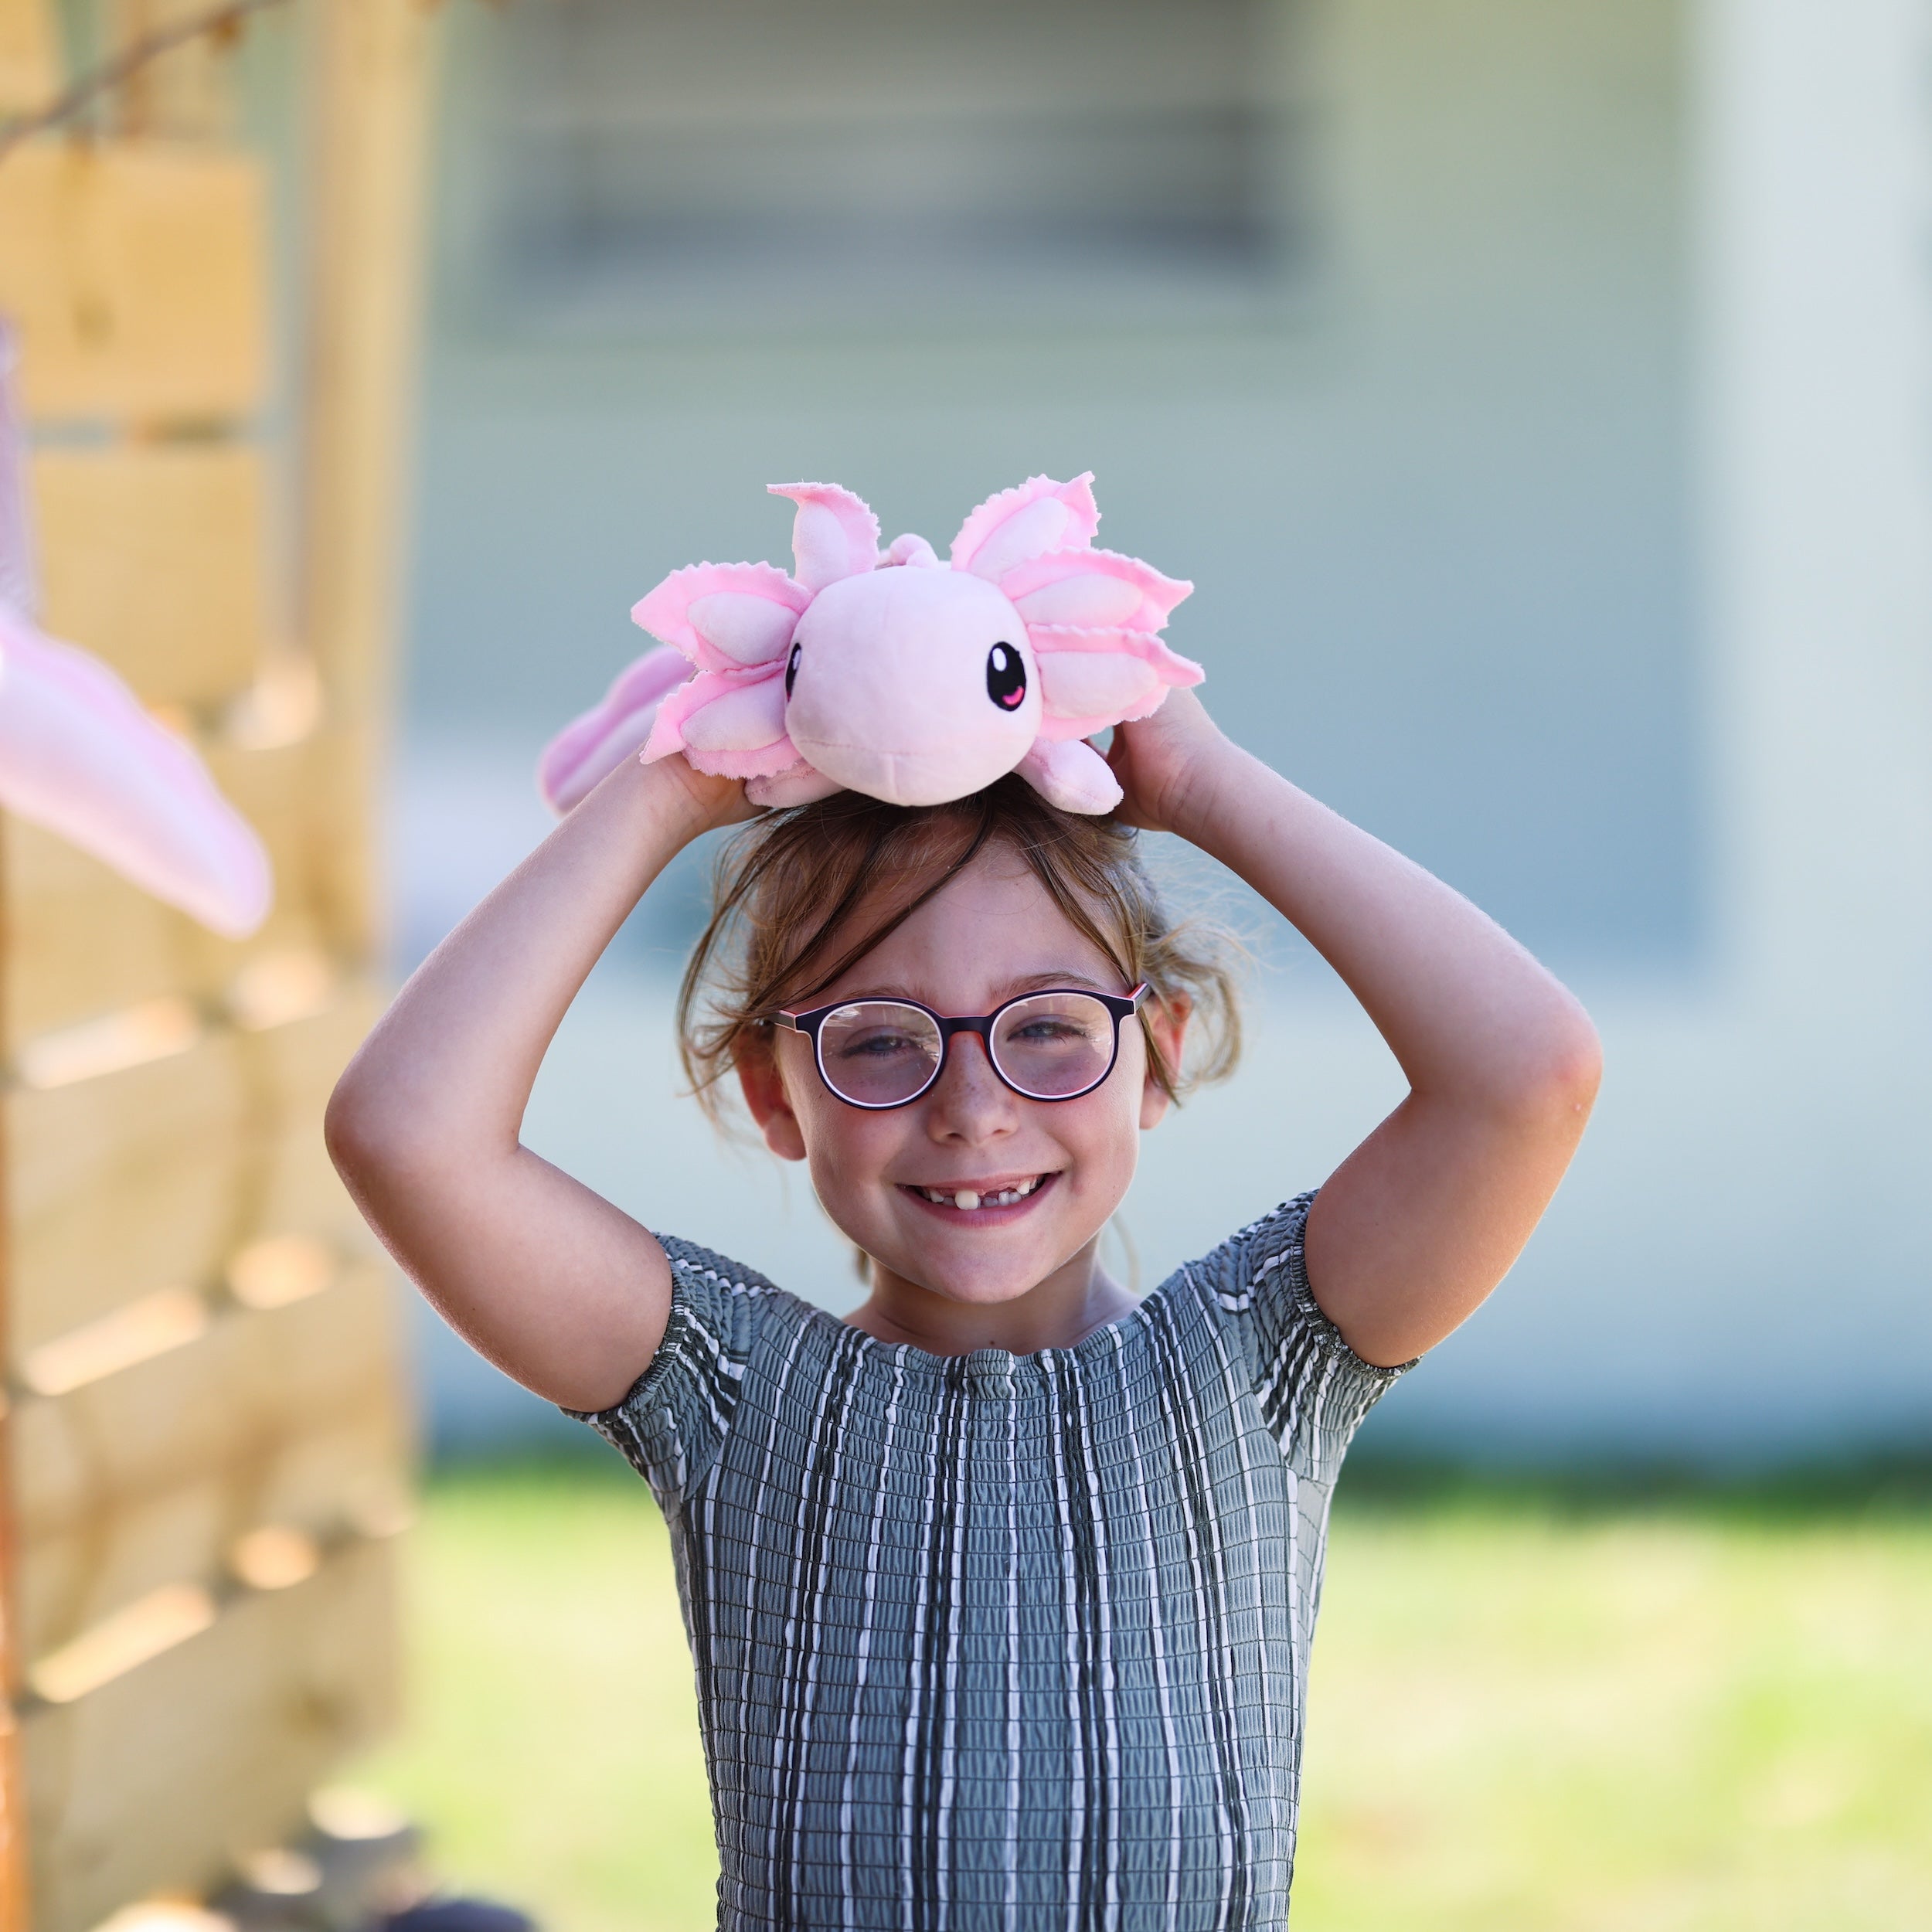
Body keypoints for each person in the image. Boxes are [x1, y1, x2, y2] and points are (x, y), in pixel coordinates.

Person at [327, 686, 1600, 1928]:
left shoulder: (1263, 1359)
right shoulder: (729, 1389)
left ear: (1154, 1053)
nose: (973, 1107)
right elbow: (406, 1136)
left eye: (1047, 1027)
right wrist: (669, 791)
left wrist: (1203, 785)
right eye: (880, 1040)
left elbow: (1527, 1077)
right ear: (777, 1095)